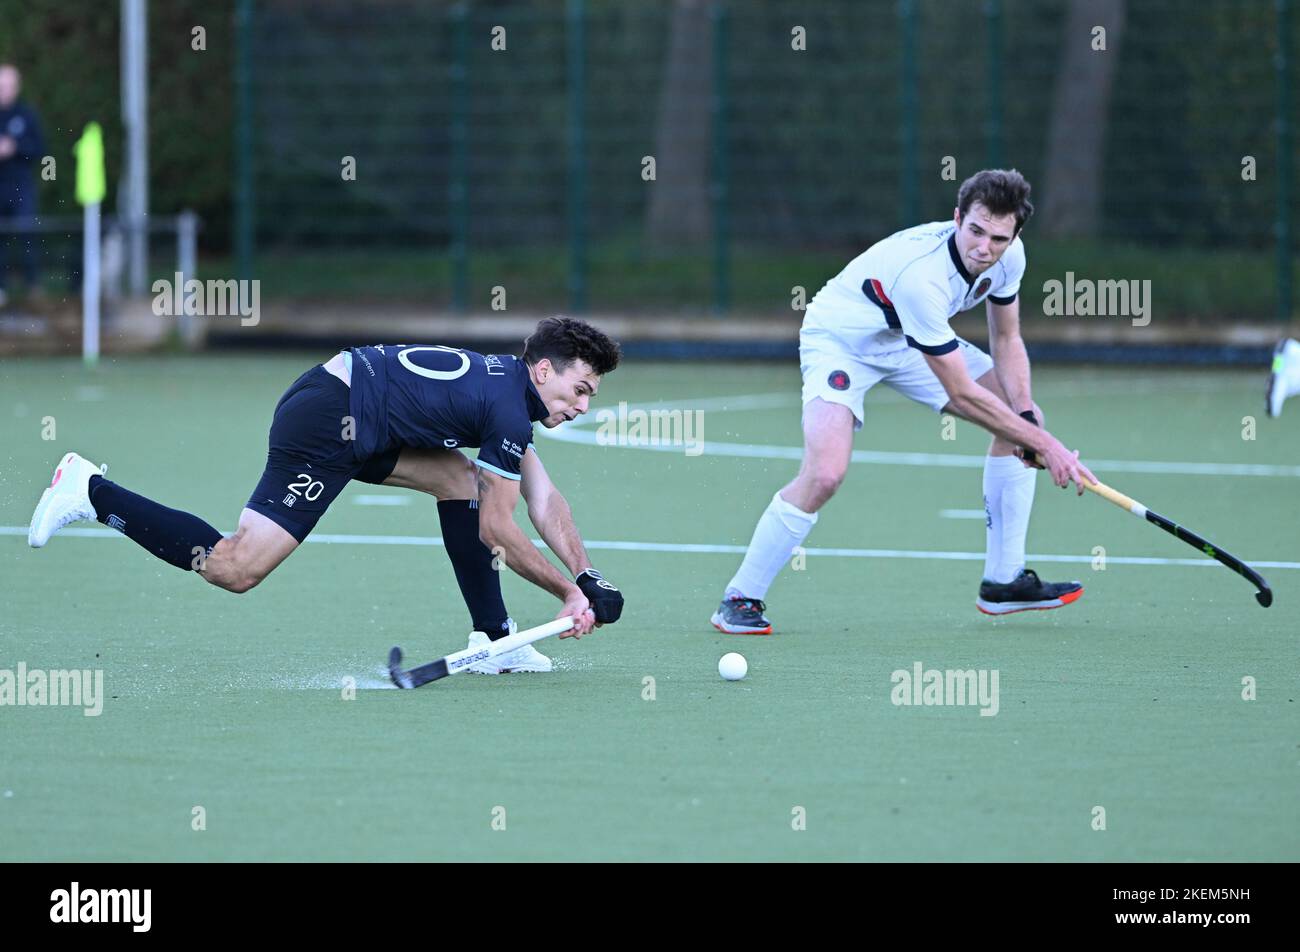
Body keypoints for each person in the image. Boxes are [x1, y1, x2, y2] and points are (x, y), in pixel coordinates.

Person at [29, 316, 626, 673]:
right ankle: (90, 489)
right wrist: (567, 592)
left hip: (363, 415)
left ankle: (496, 639)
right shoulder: (506, 410)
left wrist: (588, 576)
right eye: (580, 389)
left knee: (460, 481)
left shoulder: (509, 397)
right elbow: (498, 530)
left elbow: (545, 501)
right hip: (327, 417)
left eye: (591, 396)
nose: (582, 406)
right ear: (544, 371)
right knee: (235, 568)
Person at [712, 169, 1096, 634]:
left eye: (998, 237)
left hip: (905, 340)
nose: (983, 248)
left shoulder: (1009, 256)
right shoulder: (923, 278)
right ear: (957, 218)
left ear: (1013, 236)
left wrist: (1029, 415)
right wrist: (1045, 444)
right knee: (826, 473)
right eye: (974, 230)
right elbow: (961, 393)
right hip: (843, 340)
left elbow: (1008, 336)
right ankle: (740, 596)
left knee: (1016, 416)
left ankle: (1003, 583)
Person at [0, 63, 45, 307]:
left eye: (7, 86)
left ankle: (32, 286)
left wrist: (15, 148)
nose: (3, 91)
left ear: (16, 88)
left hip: (21, 187)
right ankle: (2, 288)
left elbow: (40, 149)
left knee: (27, 233)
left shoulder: (27, 115)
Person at [1266, 338, 1300, 418]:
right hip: (1280, 375)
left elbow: (1271, 411)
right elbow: (1282, 345)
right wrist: (1276, 370)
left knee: (1274, 411)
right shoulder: (1295, 353)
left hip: (1284, 383)